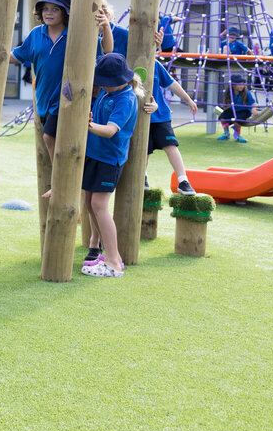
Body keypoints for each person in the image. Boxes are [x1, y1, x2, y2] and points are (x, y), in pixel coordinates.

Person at [79, 53, 141, 278]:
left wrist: (88, 126)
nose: (102, 83)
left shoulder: (126, 99)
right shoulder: (107, 92)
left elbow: (110, 131)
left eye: (106, 80)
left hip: (109, 159)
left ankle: (115, 262)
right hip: (94, 155)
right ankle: (102, 252)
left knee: (99, 205)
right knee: (89, 202)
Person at [10, 0, 73, 162]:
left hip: (66, 98)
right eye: (45, 8)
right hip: (43, 99)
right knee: (57, 142)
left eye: (55, 9)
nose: (48, 13)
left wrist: (105, 27)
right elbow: (16, 56)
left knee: (49, 137)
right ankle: (62, 182)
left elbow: (104, 49)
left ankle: (57, 184)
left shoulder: (74, 34)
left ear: (65, 13)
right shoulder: (36, 34)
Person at [142, 61, 198, 195]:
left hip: (160, 115)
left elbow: (171, 83)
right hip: (141, 115)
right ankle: (142, 177)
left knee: (171, 145)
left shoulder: (155, 64)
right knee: (144, 150)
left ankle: (183, 181)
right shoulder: (130, 60)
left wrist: (188, 99)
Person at [217, 73, 254, 142]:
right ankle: (226, 133)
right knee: (222, 118)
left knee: (237, 121)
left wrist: (254, 110)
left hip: (244, 110)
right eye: (239, 84)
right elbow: (225, 102)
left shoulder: (246, 92)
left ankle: (238, 135)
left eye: (243, 84)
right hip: (234, 110)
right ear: (233, 85)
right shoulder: (228, 92)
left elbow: (253, 103)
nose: (242, 86)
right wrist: (225, 107)